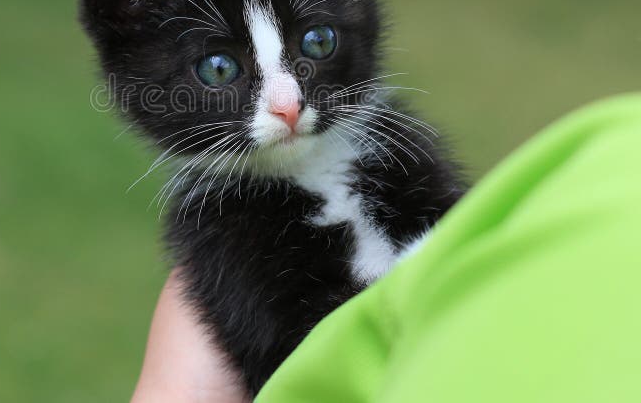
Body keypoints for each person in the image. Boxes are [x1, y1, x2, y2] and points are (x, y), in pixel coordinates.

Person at [132, 94, 641, 403]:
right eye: (219, 69)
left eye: (316, 43)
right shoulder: (221, 231)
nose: (287, 103)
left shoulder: (400, 148)